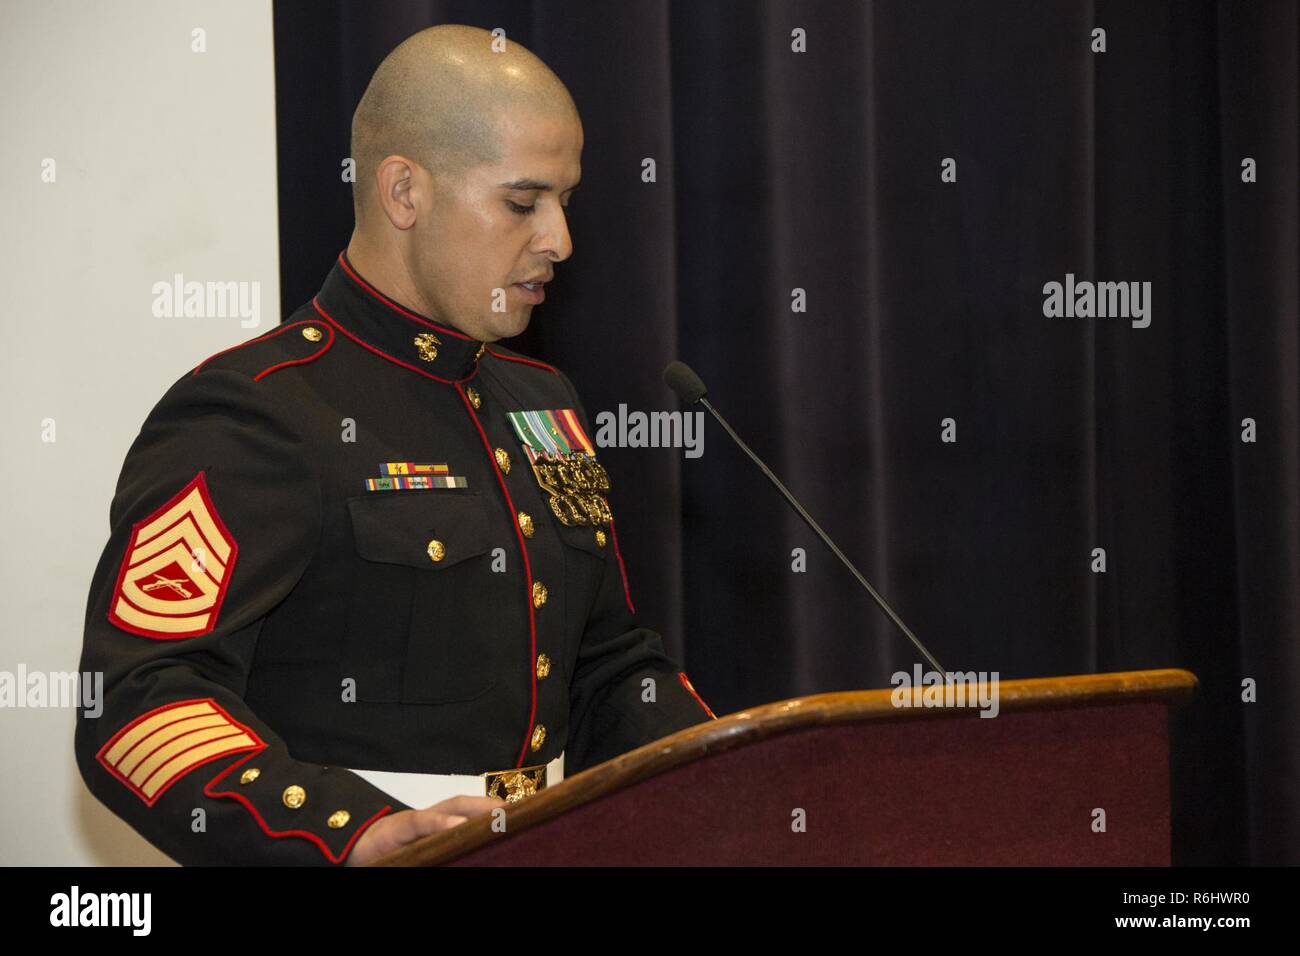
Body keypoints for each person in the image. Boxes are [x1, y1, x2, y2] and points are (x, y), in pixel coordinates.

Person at [74, 23, 715, 867]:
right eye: (524, 202)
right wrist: (351, 829)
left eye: (565, 200)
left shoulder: (540, 401)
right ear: (404, 192)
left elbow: (605, 665)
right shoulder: (257, 411)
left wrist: (745, 771)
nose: (559, 239)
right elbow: (137, 700)